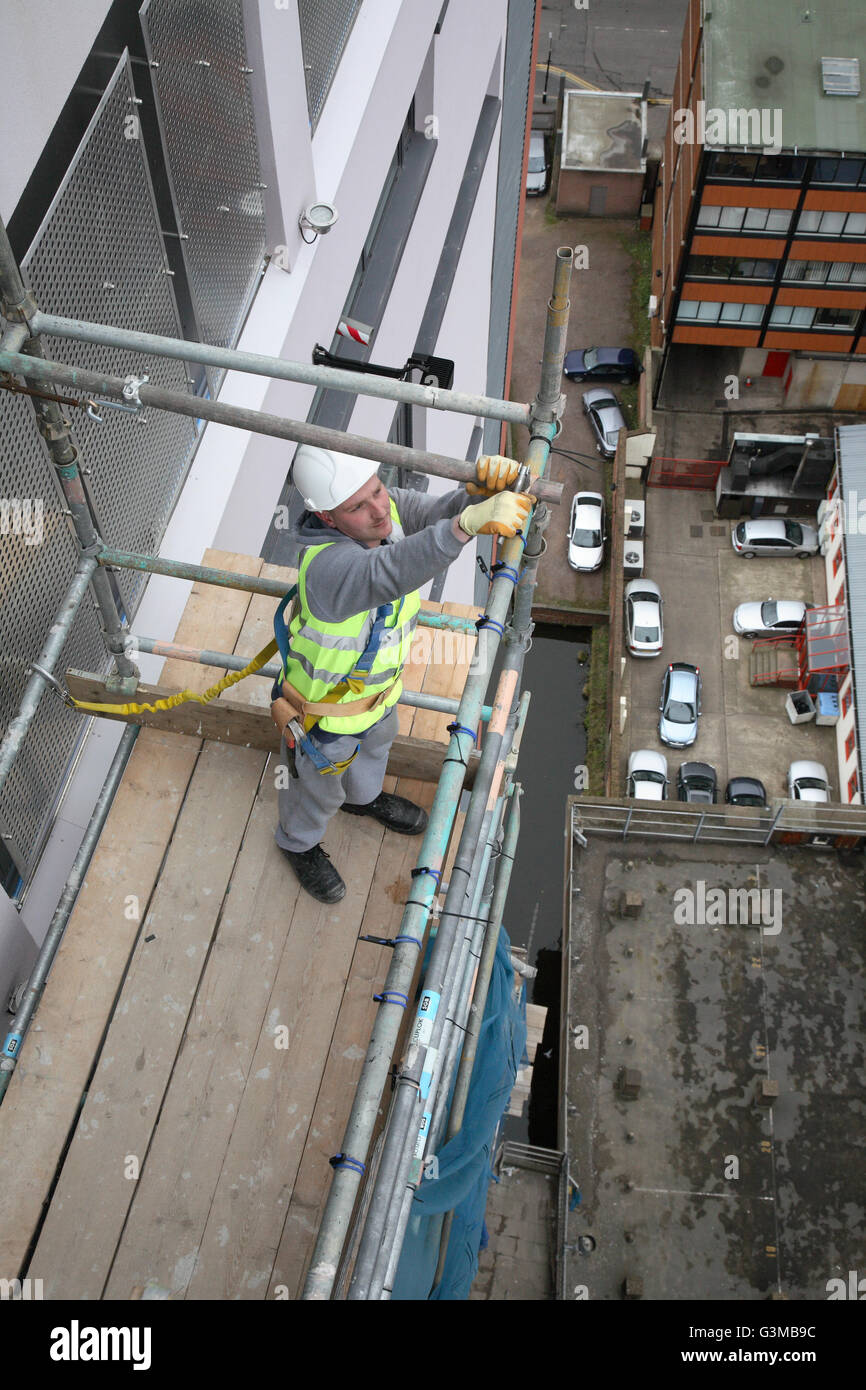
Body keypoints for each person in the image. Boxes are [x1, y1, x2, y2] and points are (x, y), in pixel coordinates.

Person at [270, 444, 532, 902]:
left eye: (376, 490)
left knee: (373, 758)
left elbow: (435, 514)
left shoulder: (382, 507)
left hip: (379, 698)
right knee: (317, 789)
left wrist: (474, 494)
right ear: (328, 518)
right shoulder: (328, 569)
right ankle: (298, 843)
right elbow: (391, 569)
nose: (378, 509)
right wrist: (466, 525)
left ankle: (363, 800)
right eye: (358, 506)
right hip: (324, 717)